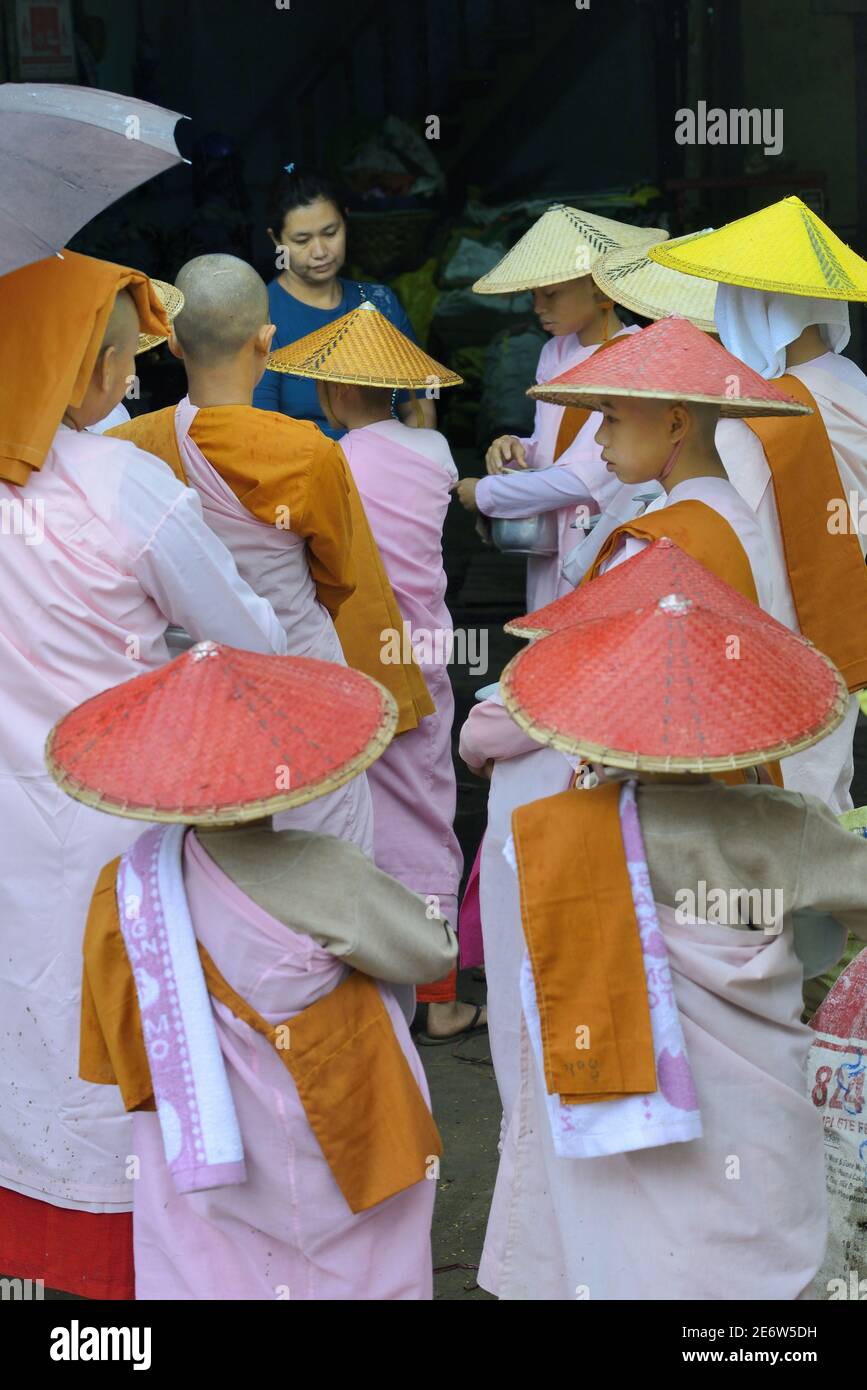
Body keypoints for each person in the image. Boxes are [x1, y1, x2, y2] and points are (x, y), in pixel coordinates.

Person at [0, 250, 290, 1299]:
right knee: (125, 1042)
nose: (130, 384)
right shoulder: (128, 483)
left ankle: (35, 1268)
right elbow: (241, 635)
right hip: (117, 825)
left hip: (12, 825)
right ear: (78, 365)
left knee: (25, 1033)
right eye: (122, 361)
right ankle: (142, 1277)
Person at [478, 548, 867, 1300]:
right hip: (746, 1111)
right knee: (738, 1261)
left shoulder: (545, 830)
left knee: (618, 1247)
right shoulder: (774, 826)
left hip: (601, 1097)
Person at [458, 315, 805, 1145]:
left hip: (650, 816)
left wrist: (481, 730)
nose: (598, 437)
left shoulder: (662, 541)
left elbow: (570, 688)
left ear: (676, 423)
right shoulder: (733, 514)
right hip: (721, 802)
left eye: (613, 417)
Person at [47, 642, 458, 1299]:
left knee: (213, 1262)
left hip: (196, 1133)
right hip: (329, 1123)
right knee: (356, 1263)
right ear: (288, 764)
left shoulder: (127, 884)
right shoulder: (324, 870)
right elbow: (431, 953)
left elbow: (117, 1025)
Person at [108, 253, 435, 850]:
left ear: (174, 345)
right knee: (328, 867)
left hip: (193, 693)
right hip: (305, 686)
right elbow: (339, 580)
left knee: (217, 869)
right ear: (267, 341)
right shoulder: (307, 453)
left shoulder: (130, 447)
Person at [269, 302, 475, 1040]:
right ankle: (438, 991)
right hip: (423, 652)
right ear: (393, 388)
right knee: (426, 806)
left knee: (350, 811)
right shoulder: (437, 453)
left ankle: (358, 970)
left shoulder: (326, 461)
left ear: (328, 394)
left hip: (351, 655)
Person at [650, 196, 867, 811]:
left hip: (775, 634)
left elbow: (713, 532)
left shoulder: (762, 416)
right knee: (827, 792)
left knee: (780, 805)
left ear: (753, 306)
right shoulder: (854, 383)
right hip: (845, 618)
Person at [454, 204, 667, 610]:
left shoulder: (636, 356)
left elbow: (588, 477)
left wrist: (486, 492)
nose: (538, 307)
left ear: (601, 289)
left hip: (599, 531)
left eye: (551, 294)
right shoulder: (554, 352)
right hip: (550, 534)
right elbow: (549, 445)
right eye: (534, 294)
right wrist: (516, 447)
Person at [253, 164, 435, 435]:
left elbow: (419, 403)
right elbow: (263, 429)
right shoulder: (261, 314)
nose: (320, 251)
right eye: (302, 240)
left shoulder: (380, 302)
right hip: (309, 472)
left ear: (346, 221)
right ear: (276, 239)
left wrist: (411, 462)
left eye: (330, 233)